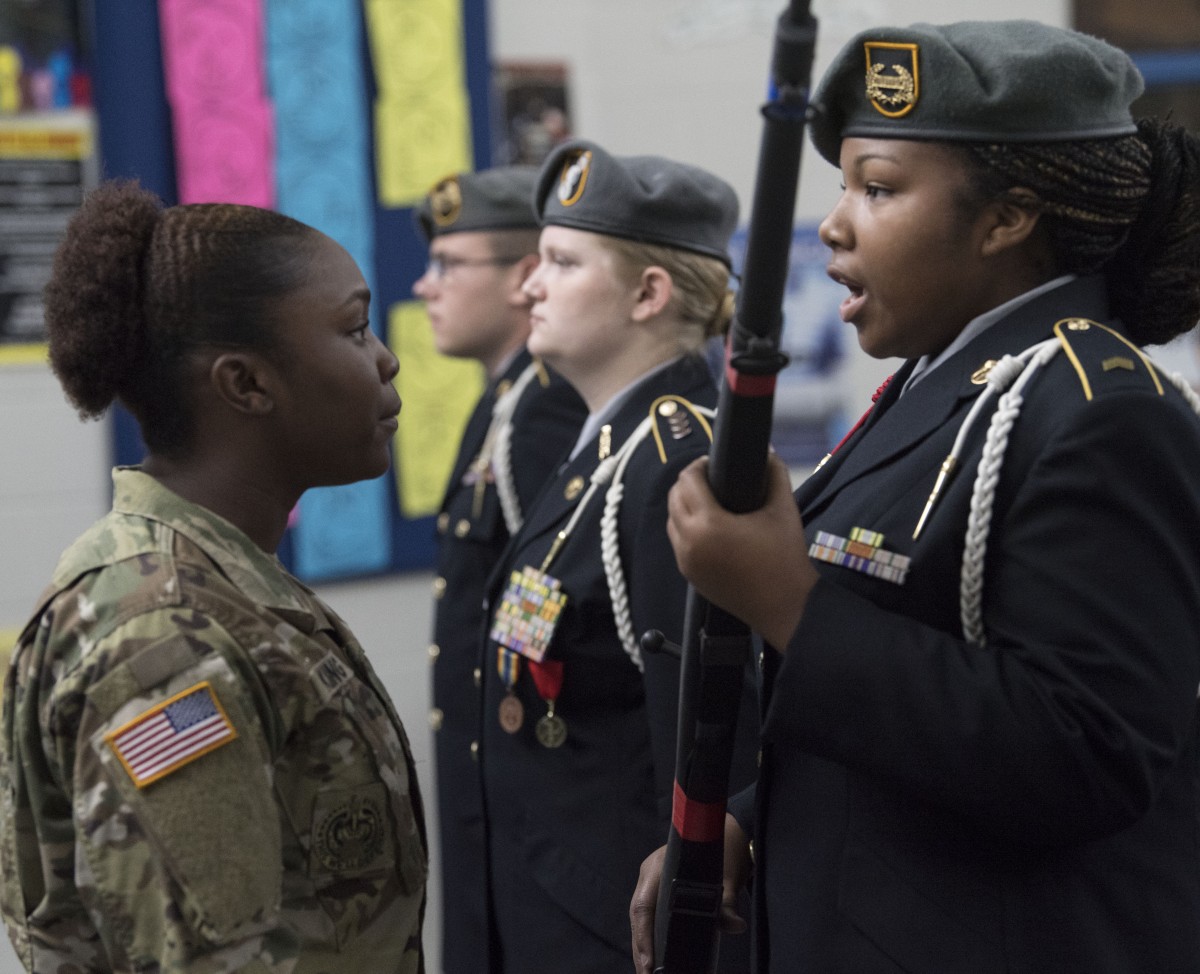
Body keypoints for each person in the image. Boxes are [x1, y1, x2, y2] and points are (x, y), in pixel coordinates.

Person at [631, 18, 1200, 974]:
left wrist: (785, 605)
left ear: (1007, 218)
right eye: (845, 184)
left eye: (880, 189)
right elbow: (913, 693)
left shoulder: (1100, 412)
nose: (834, 223)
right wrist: (750, 822)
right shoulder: (941, 387)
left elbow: (1087, 755)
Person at [0, 181, 427, 973]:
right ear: (247, 385)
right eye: (356, 328)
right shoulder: (161, 635)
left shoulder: (221, 585)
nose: (386, 356)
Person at [479, 139, 760, 973]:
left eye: (562, 263)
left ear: (648, 293)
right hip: (557, 909)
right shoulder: (607, 450)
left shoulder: (674, 466)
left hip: (620, 933)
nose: (529, 285)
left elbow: (714, 737)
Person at [411, 166, 586, 974]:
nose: (425, 285)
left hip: (538, 803)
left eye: (451, 265)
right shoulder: (504, 401)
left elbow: (562, 605)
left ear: (524, 278)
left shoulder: (546, 404)